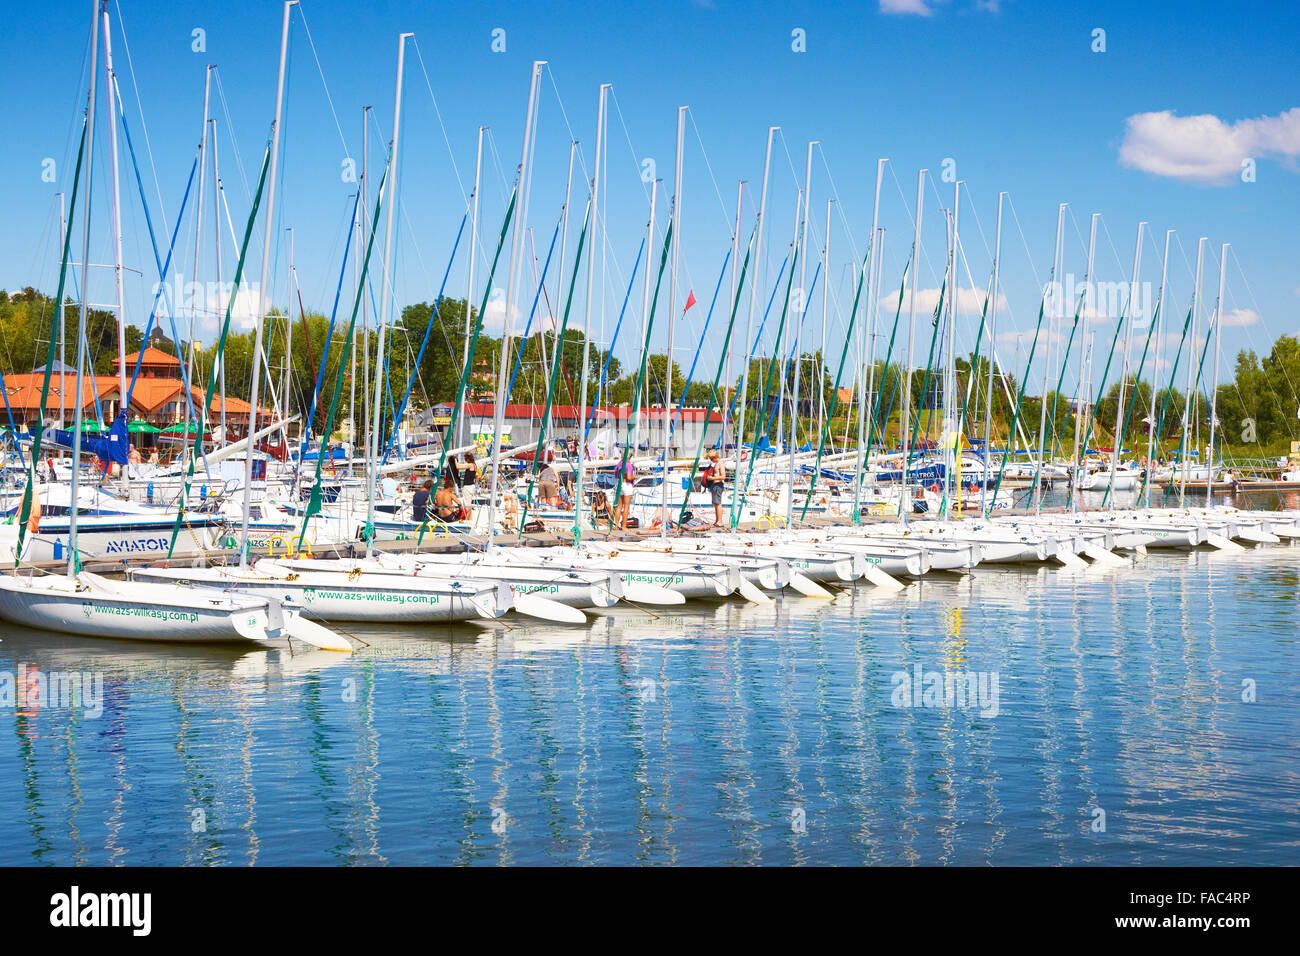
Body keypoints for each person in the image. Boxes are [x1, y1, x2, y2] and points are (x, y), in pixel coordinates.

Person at [702, 449, 726, 527]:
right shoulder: (716, 464)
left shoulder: (720, 464)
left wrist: (712, 478)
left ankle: (720, 521)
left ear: (715, 457)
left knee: (718, 503)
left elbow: (723, 476)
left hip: (718, 484)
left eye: (712, 459)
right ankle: (717, 520)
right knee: (715, 503)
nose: (711, 461)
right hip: (715, 485)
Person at [615, 456, 636, 529]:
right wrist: (634, 477)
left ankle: (616, 525)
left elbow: (616, 476)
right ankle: (624, 526)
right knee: (626, 506)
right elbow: (629, 477)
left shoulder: (619, 463)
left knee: (619, 506)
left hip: (620, 484)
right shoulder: (628, 464)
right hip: (627, 485)